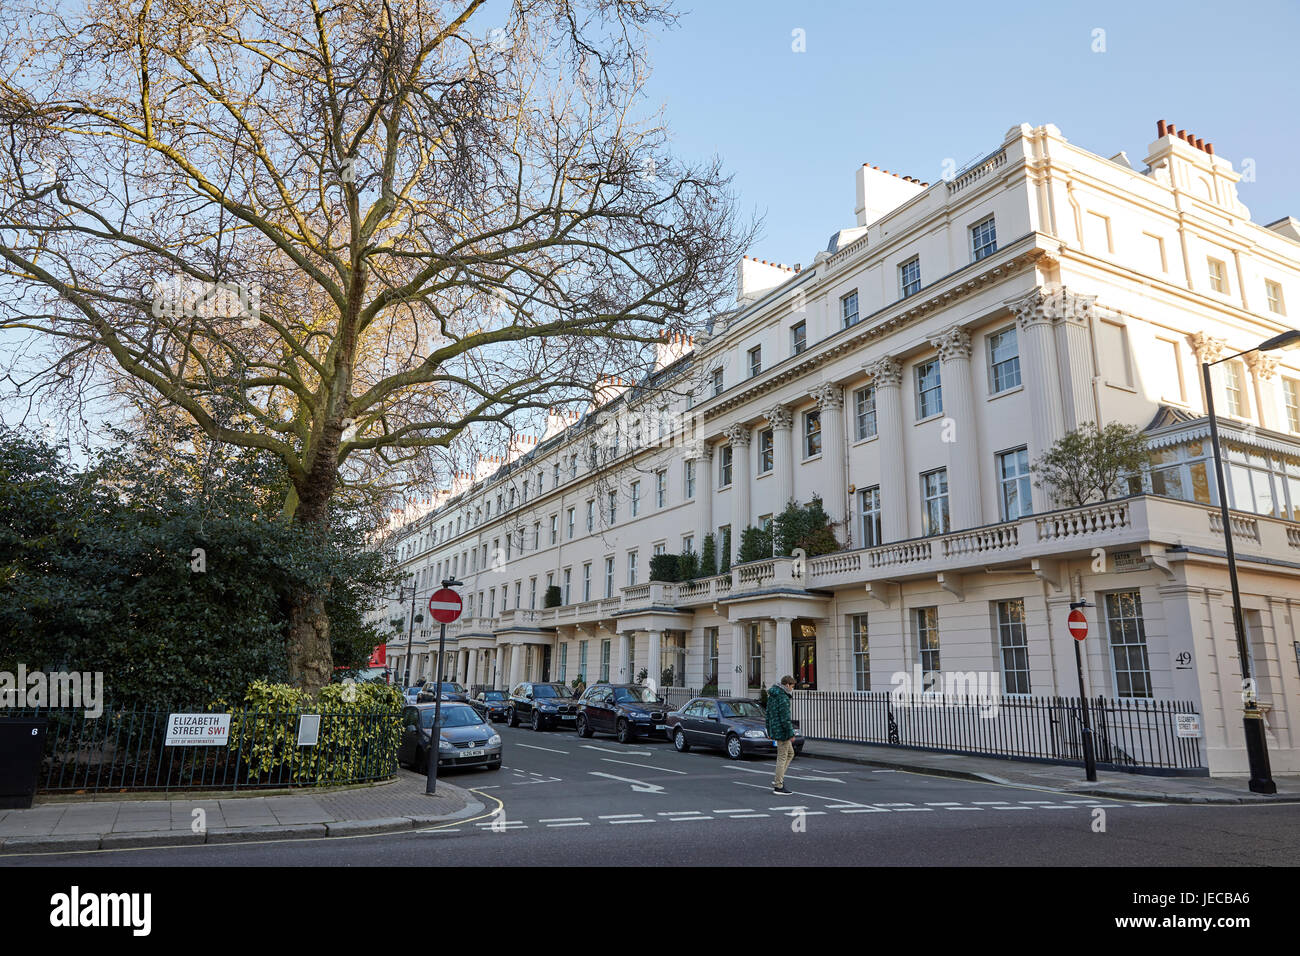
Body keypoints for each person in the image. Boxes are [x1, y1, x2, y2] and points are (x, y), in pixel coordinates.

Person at [766, 675, 798, 794]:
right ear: (787, 685)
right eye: (792, 686)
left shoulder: (772, 696)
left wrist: (769, 731)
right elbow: (785, 718)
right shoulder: (783, 698)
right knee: (782, 757)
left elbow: (768, 714)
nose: (792, 689)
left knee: (790, 753)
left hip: (775, 729)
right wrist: (791, 734)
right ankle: (778, 785)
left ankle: (778, 779)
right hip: (782, 731)